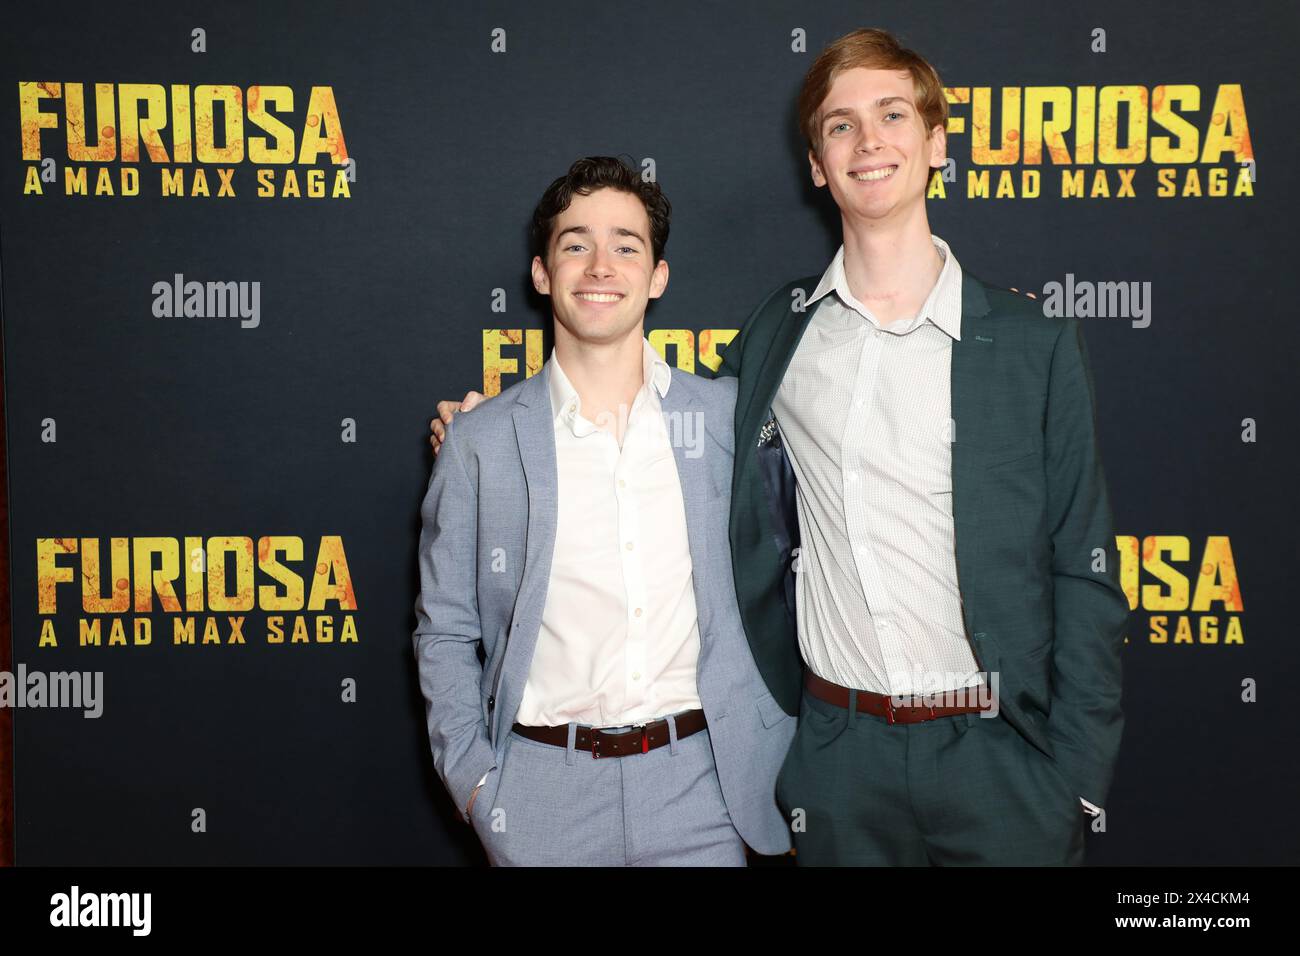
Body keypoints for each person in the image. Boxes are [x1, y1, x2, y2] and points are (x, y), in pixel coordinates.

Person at [432, 29, 1128, 866]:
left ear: (937, 143)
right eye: (840, 126)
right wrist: (487, 428)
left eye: (893, 115)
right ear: (816, 163)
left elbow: (1084, 569)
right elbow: (632, 397)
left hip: (1002, 756)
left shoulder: (1029, 340)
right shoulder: (777, 338)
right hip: (837, 759)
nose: (868, 142)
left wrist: (1079, 775)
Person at [413, 156, 794, 866]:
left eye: (626, 245)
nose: (599, 265)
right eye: (575, 243)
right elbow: (445, 628)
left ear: (657, 277)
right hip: (538, 796)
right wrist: (475, 782)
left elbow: (795, 578)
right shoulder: (481, 441)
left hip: (702, 794)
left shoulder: (724, 421)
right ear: (541, 272)